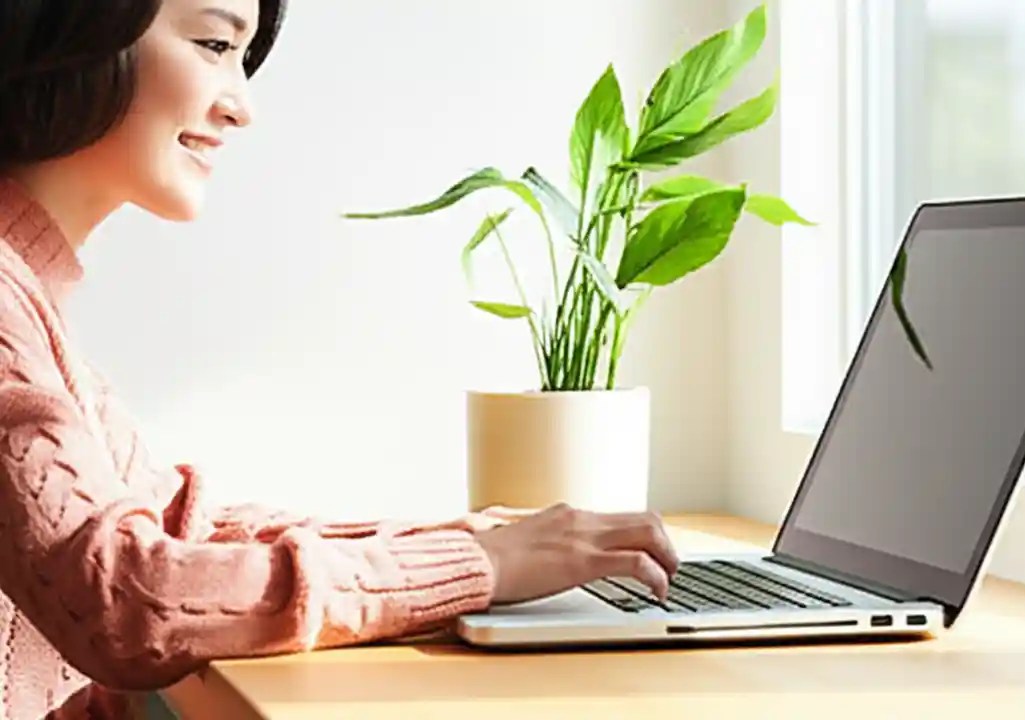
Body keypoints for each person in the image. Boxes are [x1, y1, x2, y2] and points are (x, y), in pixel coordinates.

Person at [0, 1, 680, 717]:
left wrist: (454, 542)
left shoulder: (32, 300)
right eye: (212, 44)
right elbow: (130, 599)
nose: (242, 108)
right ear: (77, 25)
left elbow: (180, 527)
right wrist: (482, 566)